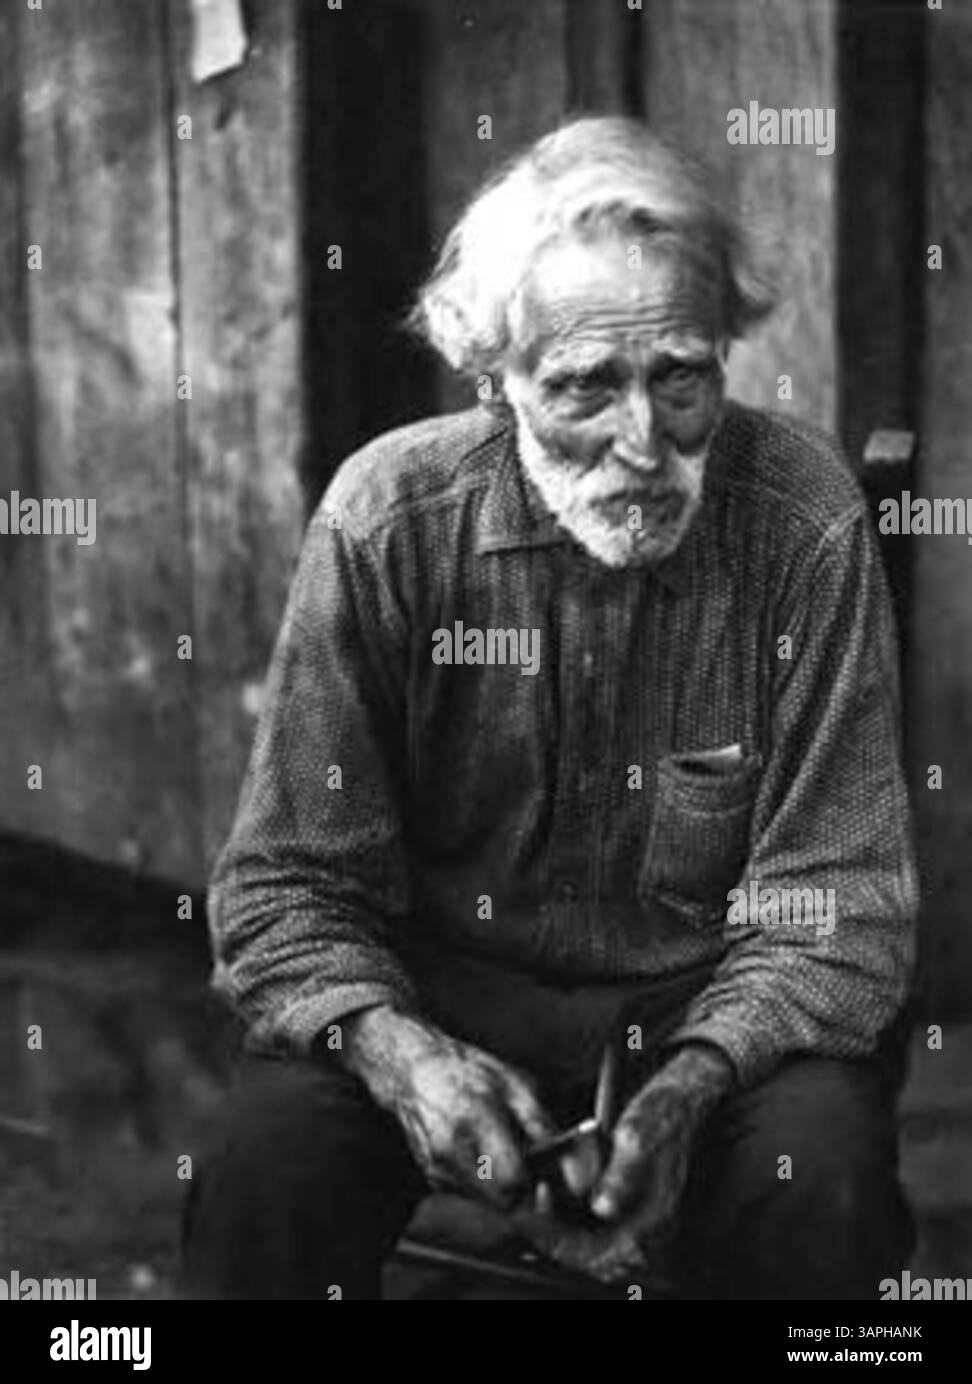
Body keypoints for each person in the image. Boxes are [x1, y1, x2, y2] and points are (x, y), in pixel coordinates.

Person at [181, 117, 917, 1300]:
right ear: (495, 378)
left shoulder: (800, 519)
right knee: (263, 1170)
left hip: (713, 1013)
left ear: (723, 352)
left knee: (816, 1170)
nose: (641, 441)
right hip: (443, 1004)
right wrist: (399, 1052)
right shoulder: (385, 523)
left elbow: (838, 906)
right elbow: (283, 889)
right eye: (584, 386)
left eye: (679, 375)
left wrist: (686, 1087)